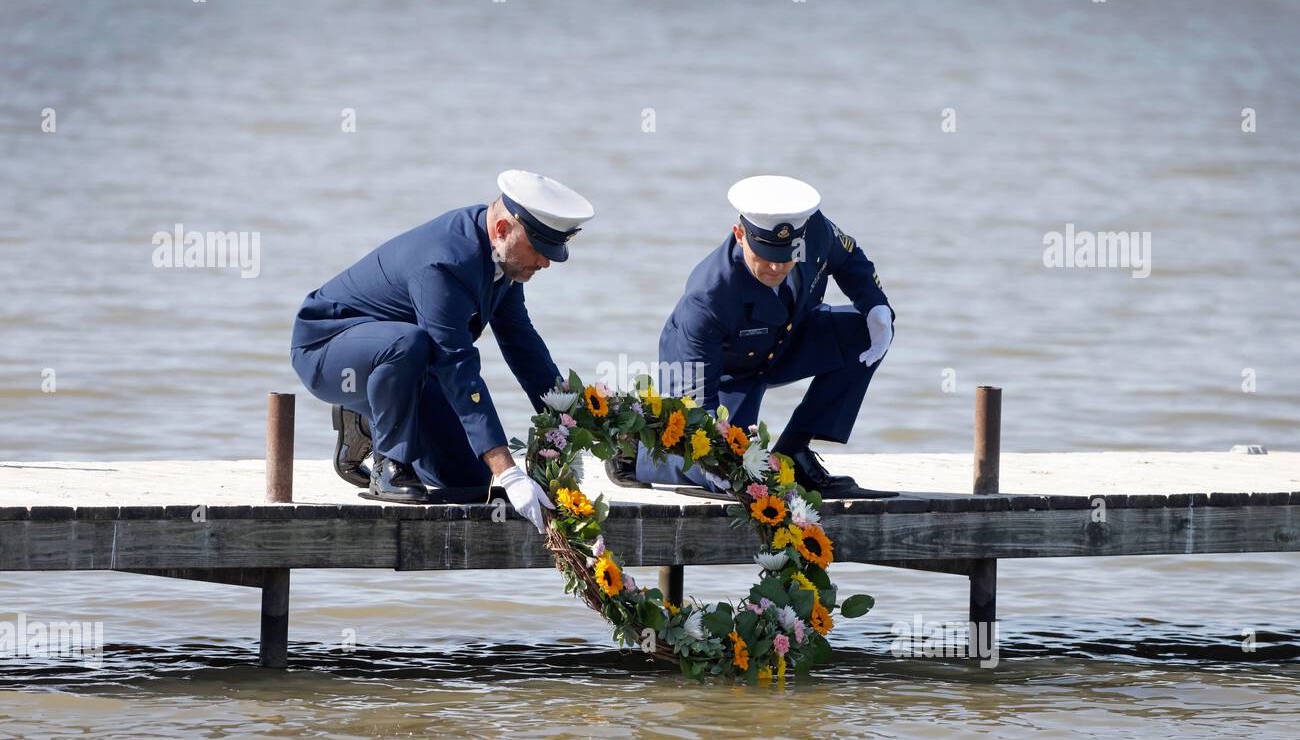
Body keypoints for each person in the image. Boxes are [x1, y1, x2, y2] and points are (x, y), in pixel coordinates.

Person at [289, 170, 594, 528]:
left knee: (470, 482)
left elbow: (523, 345)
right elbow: (457, 366)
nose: (545, 262)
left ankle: (370, 423)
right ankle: (389, 464)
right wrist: (509, 471)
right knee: (408, 343)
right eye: (540, 250)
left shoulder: (504, 259)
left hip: (404, 369)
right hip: (327, 351)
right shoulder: (444, 262)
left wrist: (576, 420)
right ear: (502, 231)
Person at [609, 175, 897, 499]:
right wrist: (713, 465)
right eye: (764, 253)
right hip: (723, 374)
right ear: (740, 234)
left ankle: (795, 452)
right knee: (726, 461)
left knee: (865, 332)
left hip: (784, 343)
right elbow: (698, 404)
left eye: (786, 255)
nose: (775, 267)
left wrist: (875, 305)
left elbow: (848, 257)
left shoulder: (815, 230)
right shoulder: (706, 299)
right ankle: (635, 449)